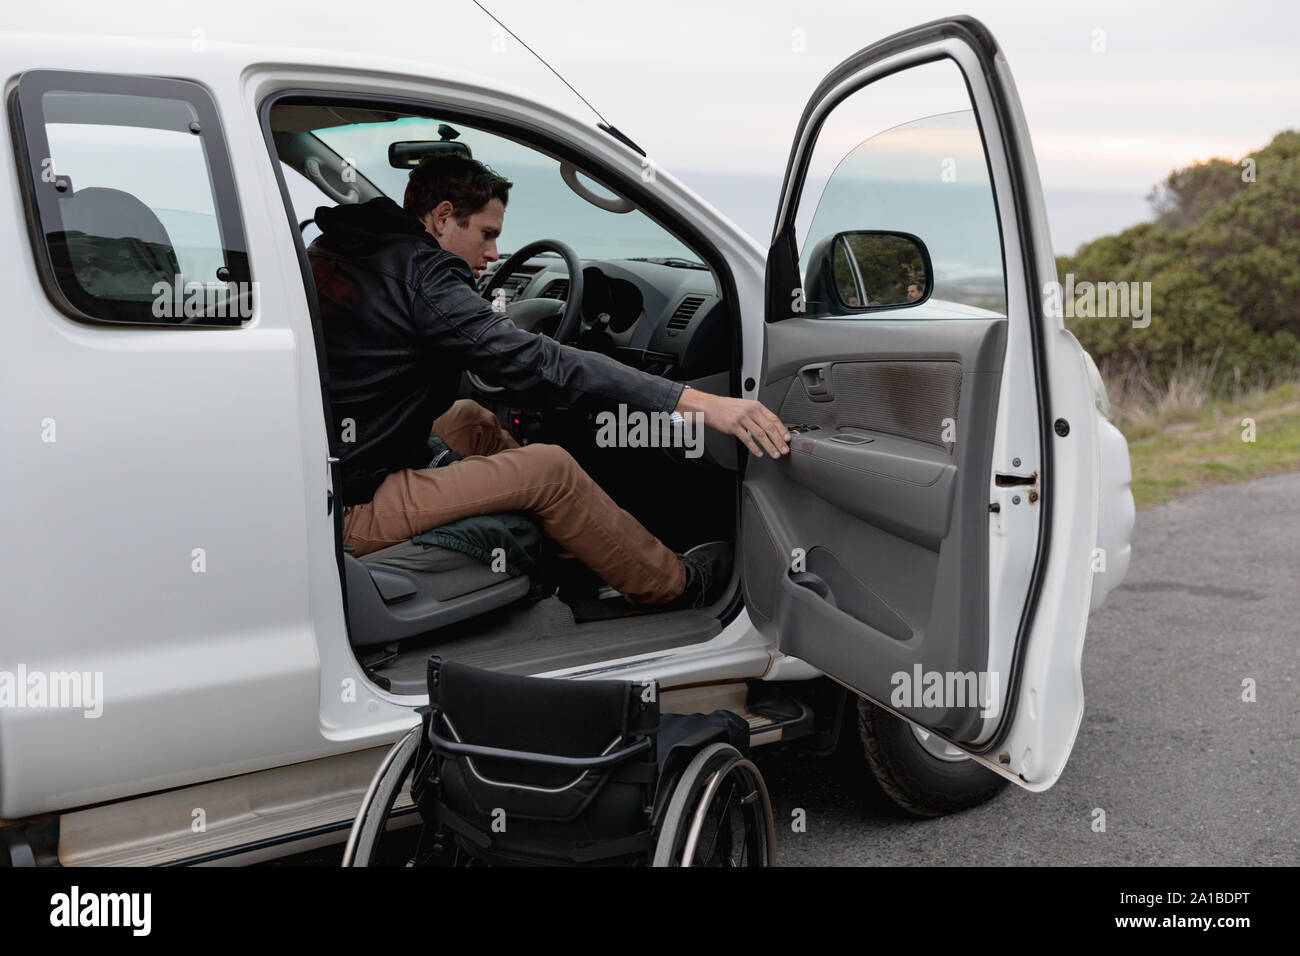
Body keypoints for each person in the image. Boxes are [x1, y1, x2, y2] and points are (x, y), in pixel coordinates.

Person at [307, 154, 790, 609]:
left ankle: (575, 547)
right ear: (442, 217)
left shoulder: (348, 248)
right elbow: (537, 360)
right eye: (486, 234)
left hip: (335, 460)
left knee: (472, 417)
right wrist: (693, 401)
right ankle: (674, 586)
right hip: (349, 505)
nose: (493, 254)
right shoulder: (422, 273)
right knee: (550, 468)